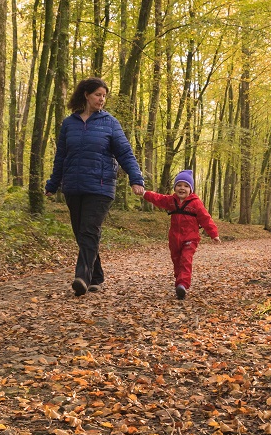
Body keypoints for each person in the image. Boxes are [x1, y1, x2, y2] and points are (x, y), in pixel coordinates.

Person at [45, 78, 145, 296]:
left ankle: (81, 277)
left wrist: (136, 179)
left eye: (104, 96)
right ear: (86, 95)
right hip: (73, 185)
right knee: (82, 234)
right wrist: (53, 183)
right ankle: (96, 277)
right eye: (98, 94)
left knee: (89, 230)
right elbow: (61, 156)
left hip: (100, 187)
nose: (102, 99)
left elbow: (125, 153)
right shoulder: (69, 123)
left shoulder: (110, 123)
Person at [140, 170, 220, 300]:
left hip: (190, 239)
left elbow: (206, 218)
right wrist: (144, 193)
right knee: (177, 260)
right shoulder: (171, 201)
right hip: (174, 239)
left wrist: (213, 234)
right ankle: (179, 282)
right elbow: (158, 198)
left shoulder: (196, 203)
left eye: (186, 186)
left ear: (191, 189)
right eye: (179, 185)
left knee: (186, 259)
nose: (182, 188)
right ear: (175, 187)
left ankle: (183, 284)